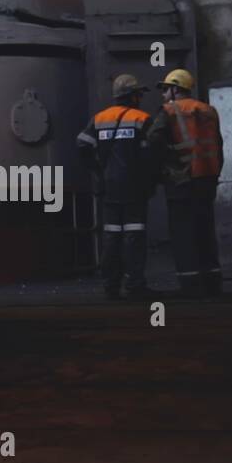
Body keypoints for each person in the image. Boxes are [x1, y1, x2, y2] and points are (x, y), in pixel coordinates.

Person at [76, 74, 160, 301]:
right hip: (134, 187)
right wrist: (152, 181)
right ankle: (135, 285)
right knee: (134, 236)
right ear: (132, 96)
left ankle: (110, 286)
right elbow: (151, 155)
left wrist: (97, 171)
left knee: (111, 237)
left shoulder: (100, 118)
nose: (141, 97)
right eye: (139, 94)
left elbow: (82, 144)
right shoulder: (142, 119)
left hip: (108, 187)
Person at [149, 68, 224, 297]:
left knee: (184, 234)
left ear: (175, 89)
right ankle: (212, 282)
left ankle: (191, 286)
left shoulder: (169, 111)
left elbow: (154, 141)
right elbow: (218, 146)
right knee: (205, 232)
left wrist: (165, 167)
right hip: (207, 179)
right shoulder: (208, 110)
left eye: (165, 89)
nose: (163, 94)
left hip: (183, 181)